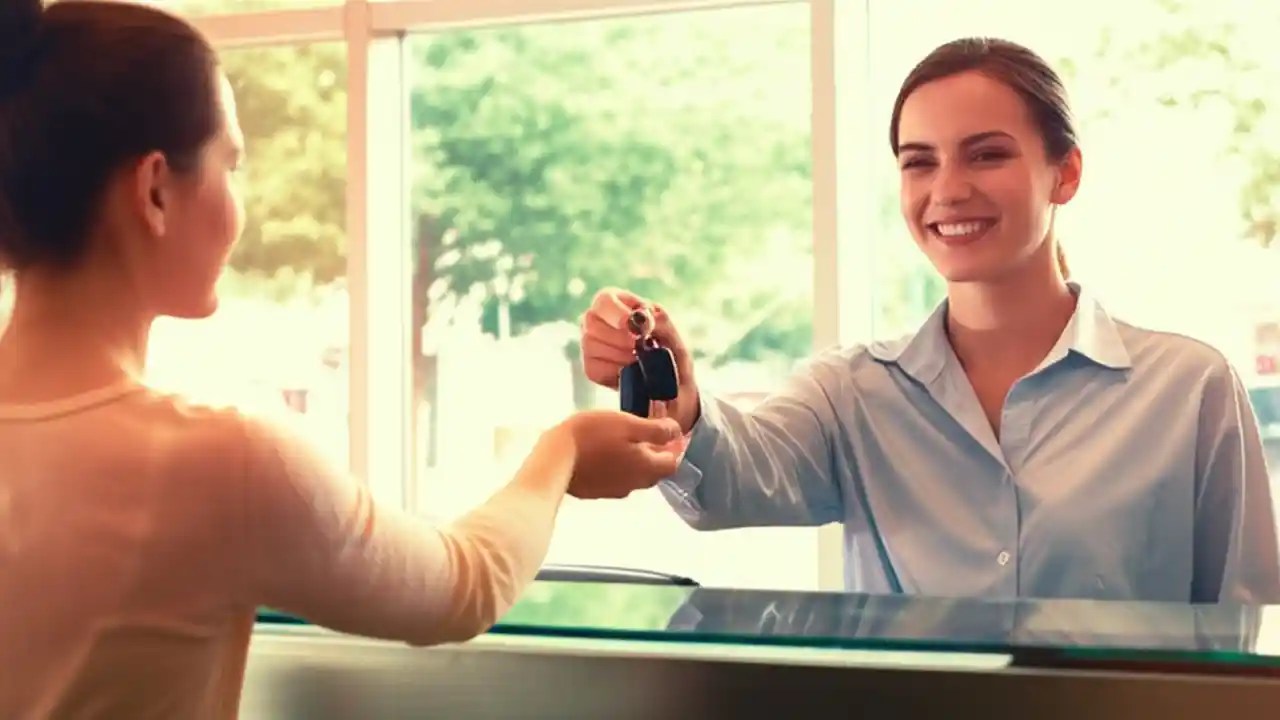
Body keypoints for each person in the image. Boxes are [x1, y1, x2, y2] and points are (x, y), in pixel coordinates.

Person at [0, 2, 683, 718]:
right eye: (230, 164)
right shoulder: (215, 464)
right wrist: (564, 453)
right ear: (155, 191)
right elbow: (464, 583)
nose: (240, 203)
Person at [581, 37, 1280, 604]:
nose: (948, 190)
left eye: (987, 154)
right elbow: (728, 481)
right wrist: (674, 389)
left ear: (1064, 174)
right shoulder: (851, 392)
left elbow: (1252, 628)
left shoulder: (1189, 388)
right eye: (920, 163)